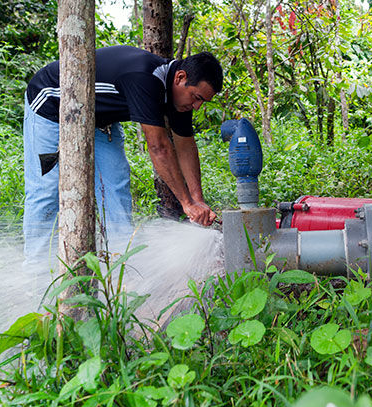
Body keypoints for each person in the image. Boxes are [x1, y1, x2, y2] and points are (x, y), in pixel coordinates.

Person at [22, 45, 222, 263]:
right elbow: (158, 147)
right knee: (46, 190)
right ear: (180, 77)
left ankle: (121, 267)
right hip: (51, 103)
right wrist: (186, 203)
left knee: (115, 187)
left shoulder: (181, 96)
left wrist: (197, 200)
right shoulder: (145, 78)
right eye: (196, 97)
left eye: (202, 101)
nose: (197, 106)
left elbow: (185, 145)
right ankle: (36, 272)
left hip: (98, 120)